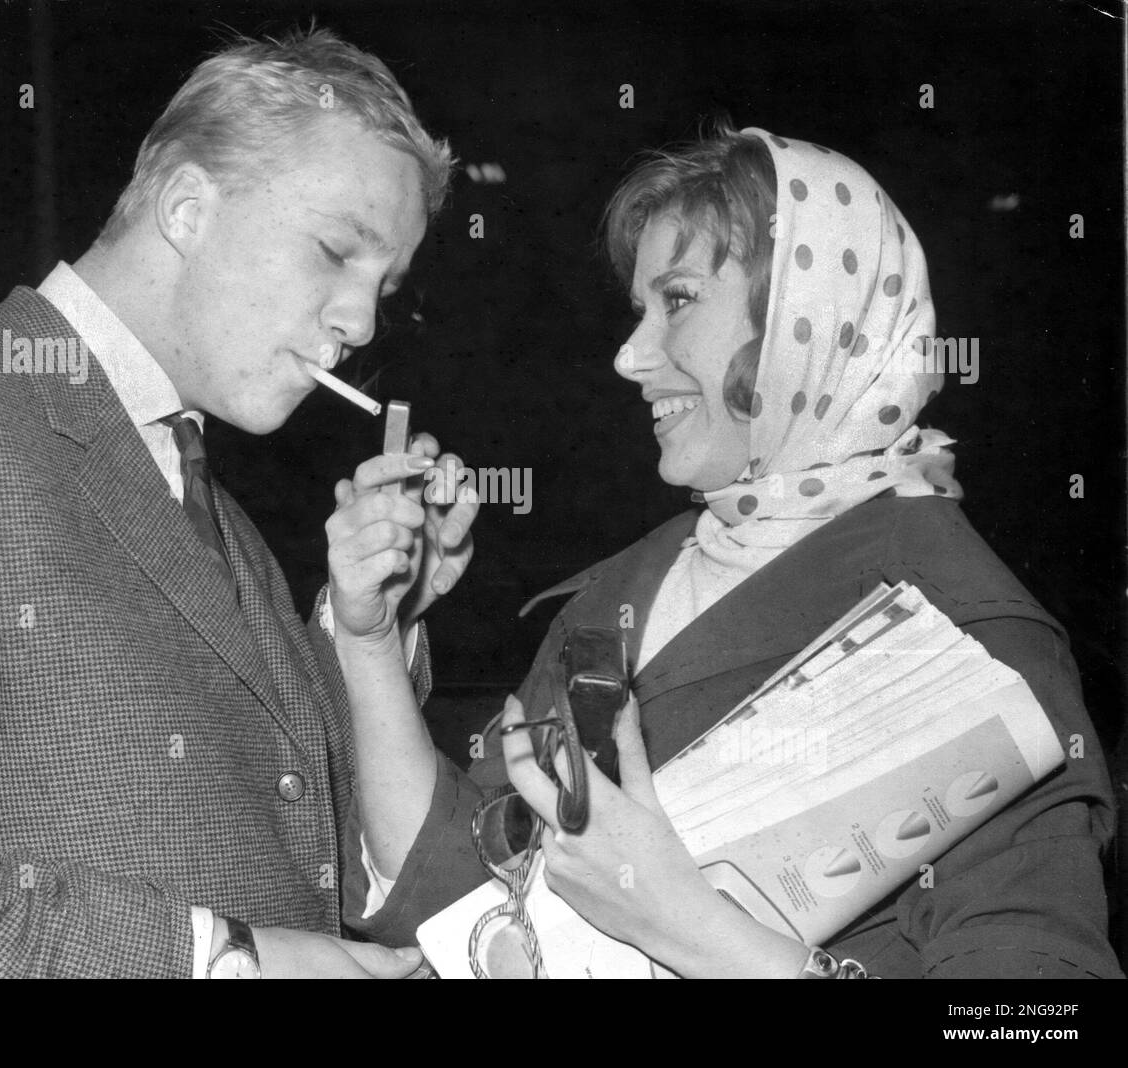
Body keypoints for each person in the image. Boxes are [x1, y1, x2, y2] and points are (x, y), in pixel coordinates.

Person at [329, 120, 1123, 978]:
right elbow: (462, 905)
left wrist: (686, 925)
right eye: (641, 310)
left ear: (809, 320)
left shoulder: (969, 631)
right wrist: (370, 634)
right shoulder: (639, 581)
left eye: (678, 300)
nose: (631, 357)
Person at [0, 28, 479, 978]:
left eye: (385, 285)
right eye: (338, 251)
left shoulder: (218, 511)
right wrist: (225, 962)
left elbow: (304, 837)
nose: (363, 320)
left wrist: (367, 625)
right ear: (186, 207)